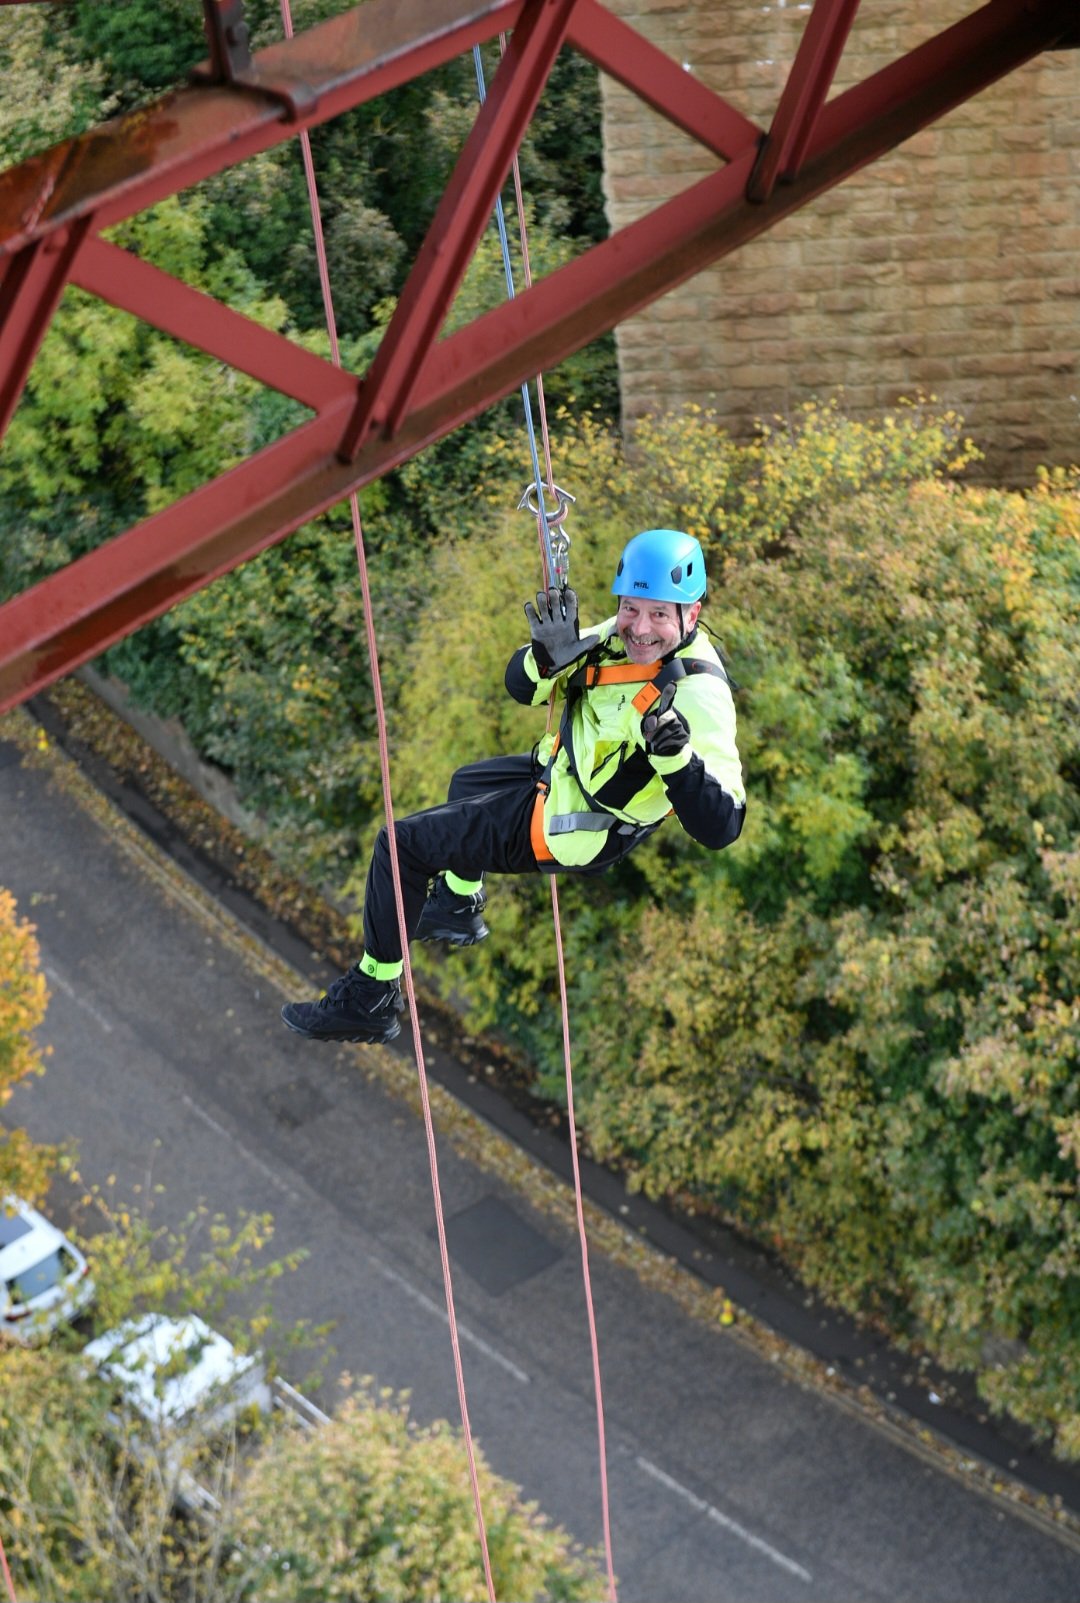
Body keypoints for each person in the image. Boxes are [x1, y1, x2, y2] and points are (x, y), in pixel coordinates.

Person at [281, 528, 745, 1044]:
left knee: (400, 848)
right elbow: (521, 688)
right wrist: (547, 658)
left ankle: (371, 996)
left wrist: (676, 760)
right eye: (631, 608)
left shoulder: (701, 697)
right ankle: (459, 904)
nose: (640, 628)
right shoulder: (617, 639)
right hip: (560, 772)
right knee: (465, 783)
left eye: (659, 614)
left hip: (572, 824)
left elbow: (723, 826)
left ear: (691, 615)